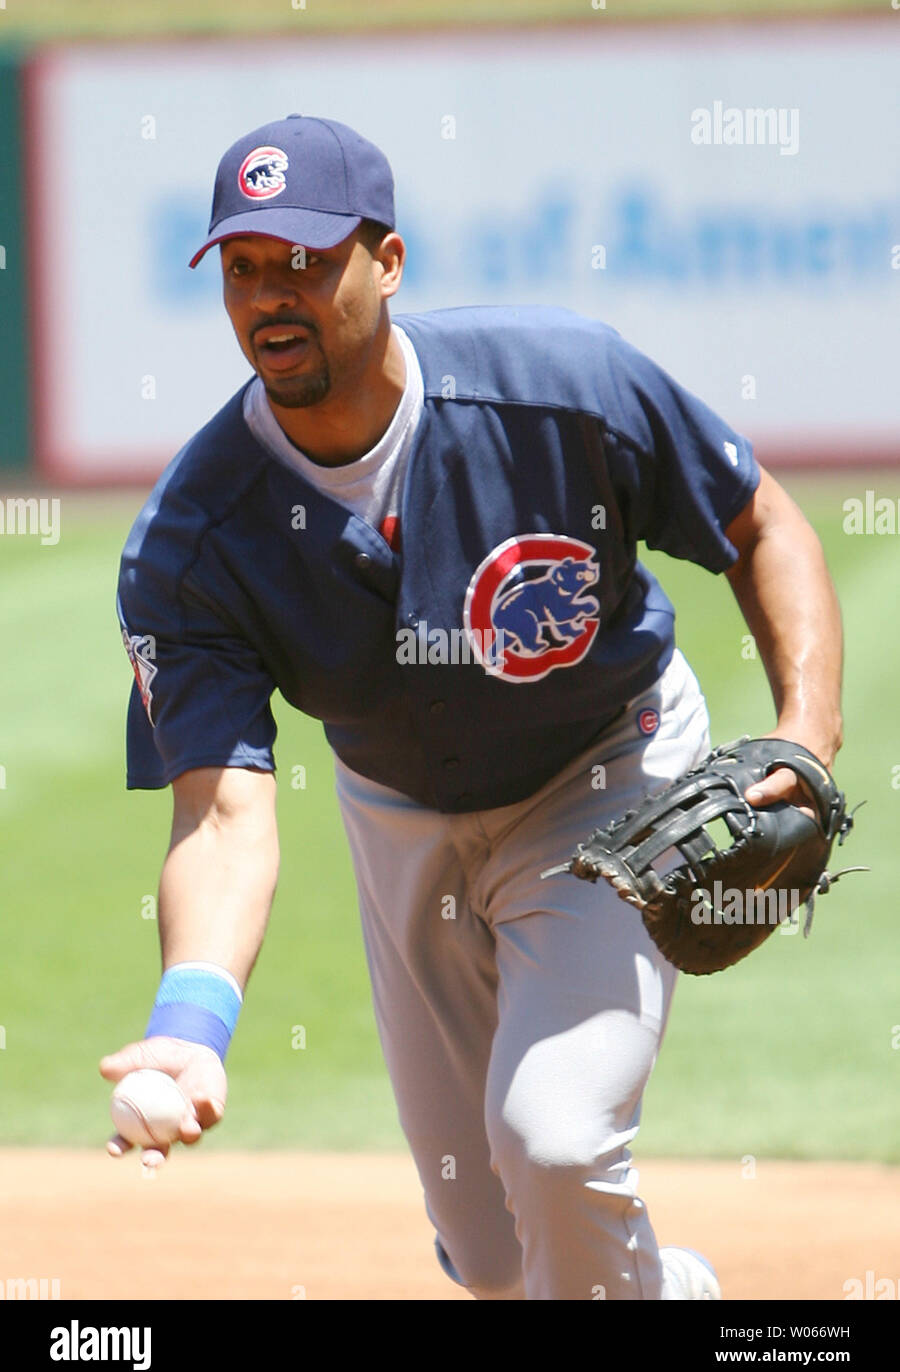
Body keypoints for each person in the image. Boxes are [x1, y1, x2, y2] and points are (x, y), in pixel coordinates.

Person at [102, 115, 843, 1301]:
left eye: (305, 258)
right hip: (402, 818)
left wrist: (806, 731)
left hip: (609, 766)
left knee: (553, 1140)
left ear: (387, 262)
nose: (270, 294)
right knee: (498, 1255)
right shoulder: (193, 541)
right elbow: (223, 813)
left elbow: (759, 520)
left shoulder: (560, 390)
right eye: (244, 266)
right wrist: (192, 1023)